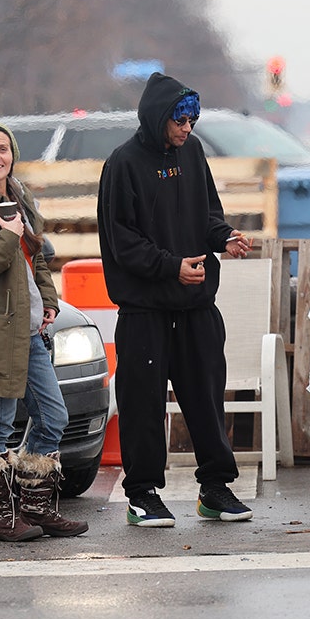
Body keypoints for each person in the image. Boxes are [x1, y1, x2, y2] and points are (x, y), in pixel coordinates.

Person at [97, 72, 254, 528]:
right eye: (181, 119)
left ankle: (215, 488)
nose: (188, 127)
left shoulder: (193, 153)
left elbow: (208, 213)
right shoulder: (123, 163)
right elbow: (121, 241)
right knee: (143, 403)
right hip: (146, 308)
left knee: (206, 399)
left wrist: (224, 237)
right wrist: (170, 266)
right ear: (159, 116)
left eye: (193, 119)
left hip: (196, 304)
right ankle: (142, 495)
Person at [0, 120, 88, 542]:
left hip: (27, 334)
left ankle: (36, 508)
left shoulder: (20, 199)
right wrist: (7, 236)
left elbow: (36, 258)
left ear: (13, 155)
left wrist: (48, 301)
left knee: (54, 416)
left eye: (3, 149)